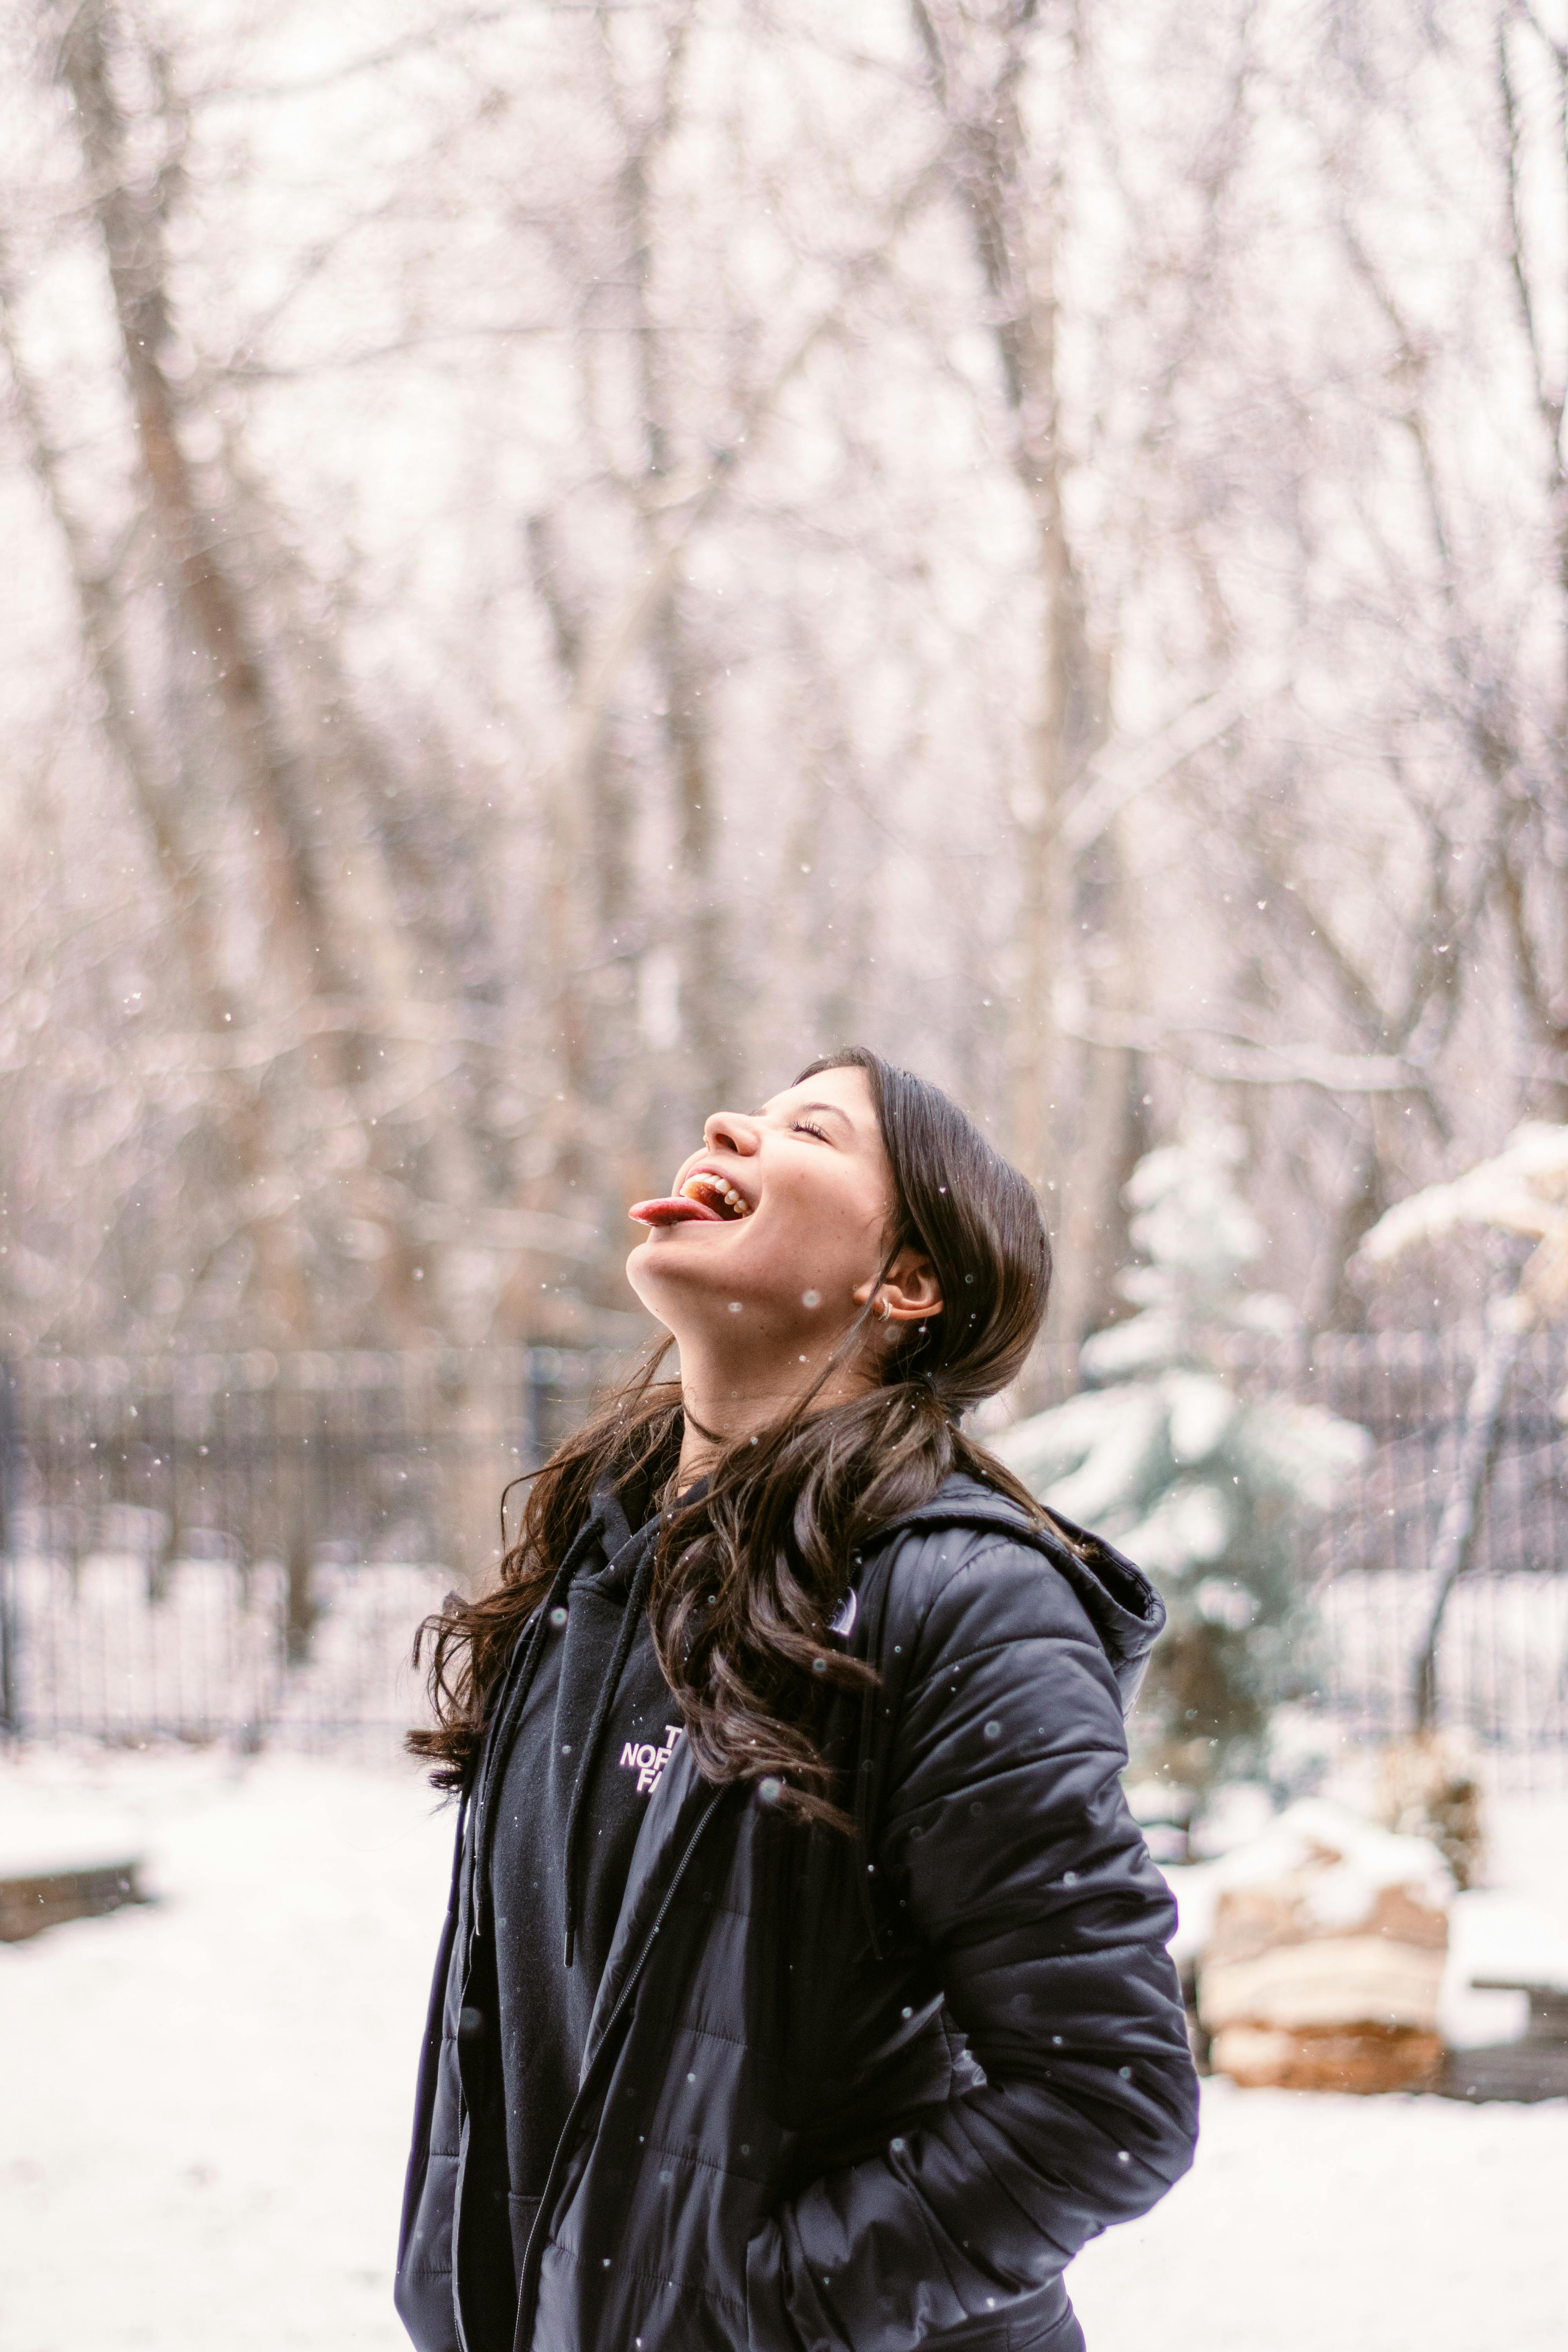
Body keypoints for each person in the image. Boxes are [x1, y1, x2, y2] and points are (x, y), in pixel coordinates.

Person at [395, 1048, 1198, 2352]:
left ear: (909, 1282)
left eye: (808, 1132)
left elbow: (1108, 2098)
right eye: (750, 1116)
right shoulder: (597, 1572)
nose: (727, 1124)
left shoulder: (957, 1598)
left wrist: (746, 2311)